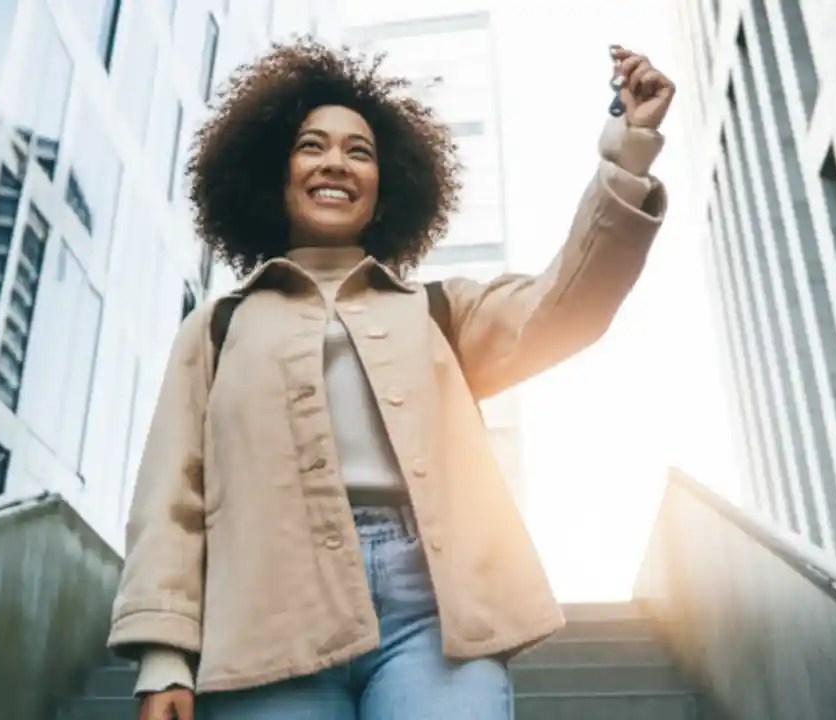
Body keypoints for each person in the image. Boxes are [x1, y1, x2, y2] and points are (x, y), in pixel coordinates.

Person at [108, 38, 673, 720]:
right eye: (311, 145)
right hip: (264, 618)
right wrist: (166, 657)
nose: (335, 163)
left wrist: (629, 151)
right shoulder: (218, 326)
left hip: (430, 614)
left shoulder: (438, 311)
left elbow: (567, 305)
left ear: (383, 191)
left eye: (360, 151)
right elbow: (172, 495)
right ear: (275, 173)